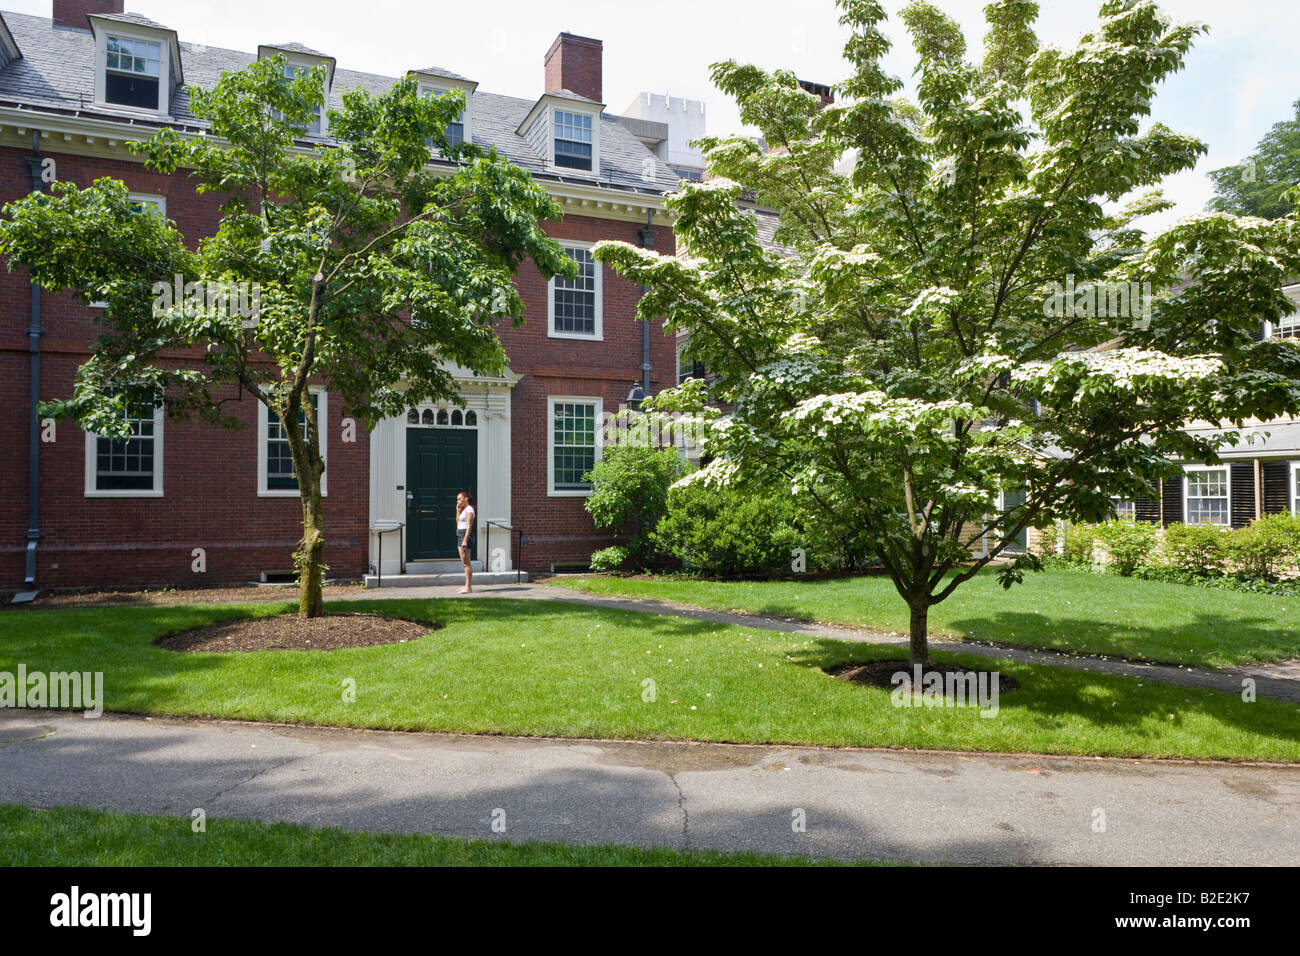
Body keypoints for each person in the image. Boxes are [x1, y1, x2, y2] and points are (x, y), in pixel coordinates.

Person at [455, 490, 476, 594]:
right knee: (464, 563)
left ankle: (468, 587)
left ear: (466, 498)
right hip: (460, 534)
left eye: (460, 499)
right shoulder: (464, 510)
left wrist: (465, 540)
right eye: (457, 499)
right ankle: (466, 585)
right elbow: (458, 523)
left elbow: (469, 526)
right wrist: (458, 511)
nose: (458, 501)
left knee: (466, 563)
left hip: (465, 536)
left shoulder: (470, 510)